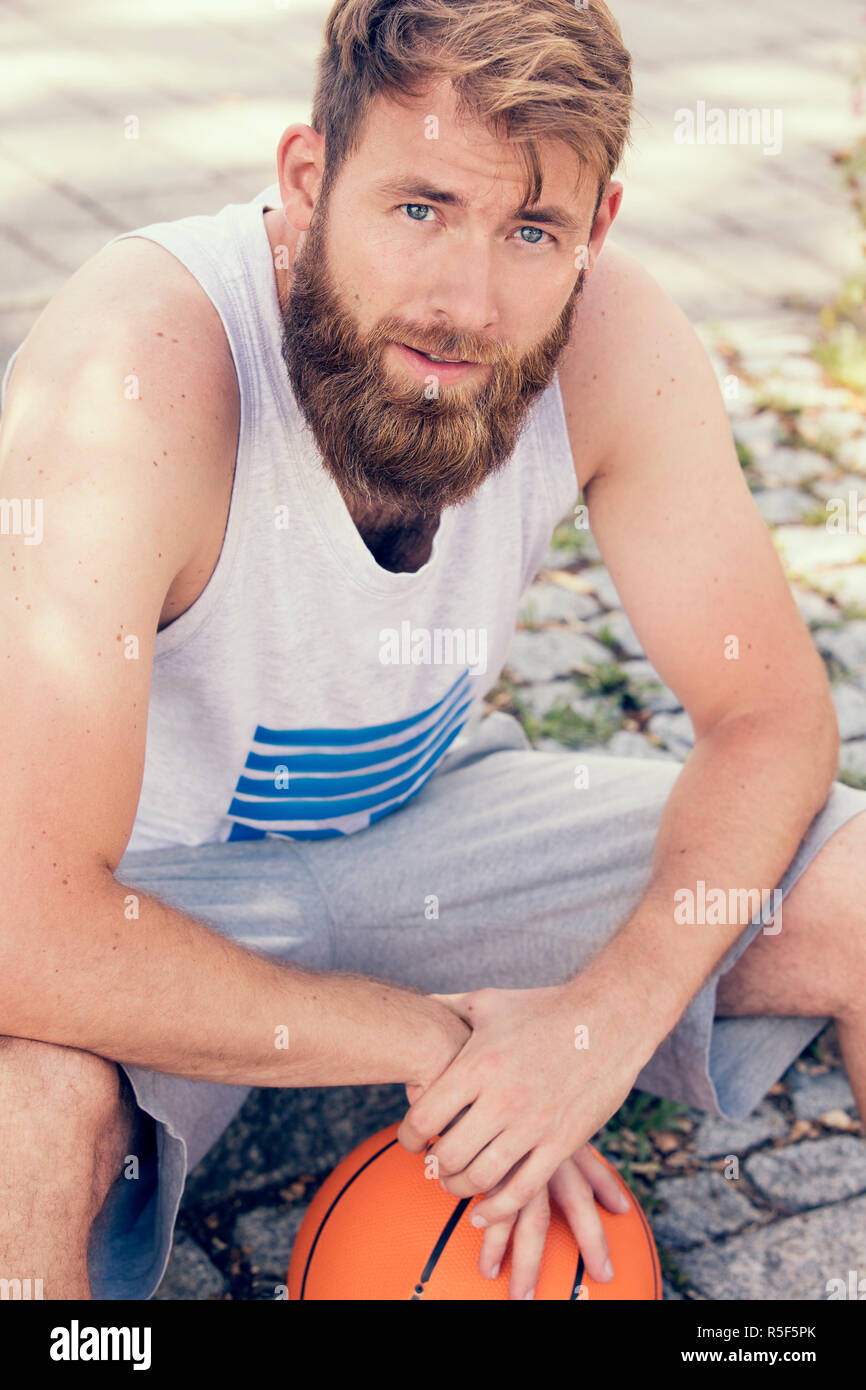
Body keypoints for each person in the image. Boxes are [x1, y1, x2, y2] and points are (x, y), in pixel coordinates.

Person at [1, 0, 863, 1304]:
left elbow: (770, 718)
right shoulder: (141, 361)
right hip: (141, 891)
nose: (466, 300)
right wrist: (444, 1045)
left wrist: (596, 1023)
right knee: (28, 1111)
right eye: (418, 207)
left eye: (530, 230)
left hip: (425, 827)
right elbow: (25, 921)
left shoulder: (612, 336)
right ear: (306, 181)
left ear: (596, 231)